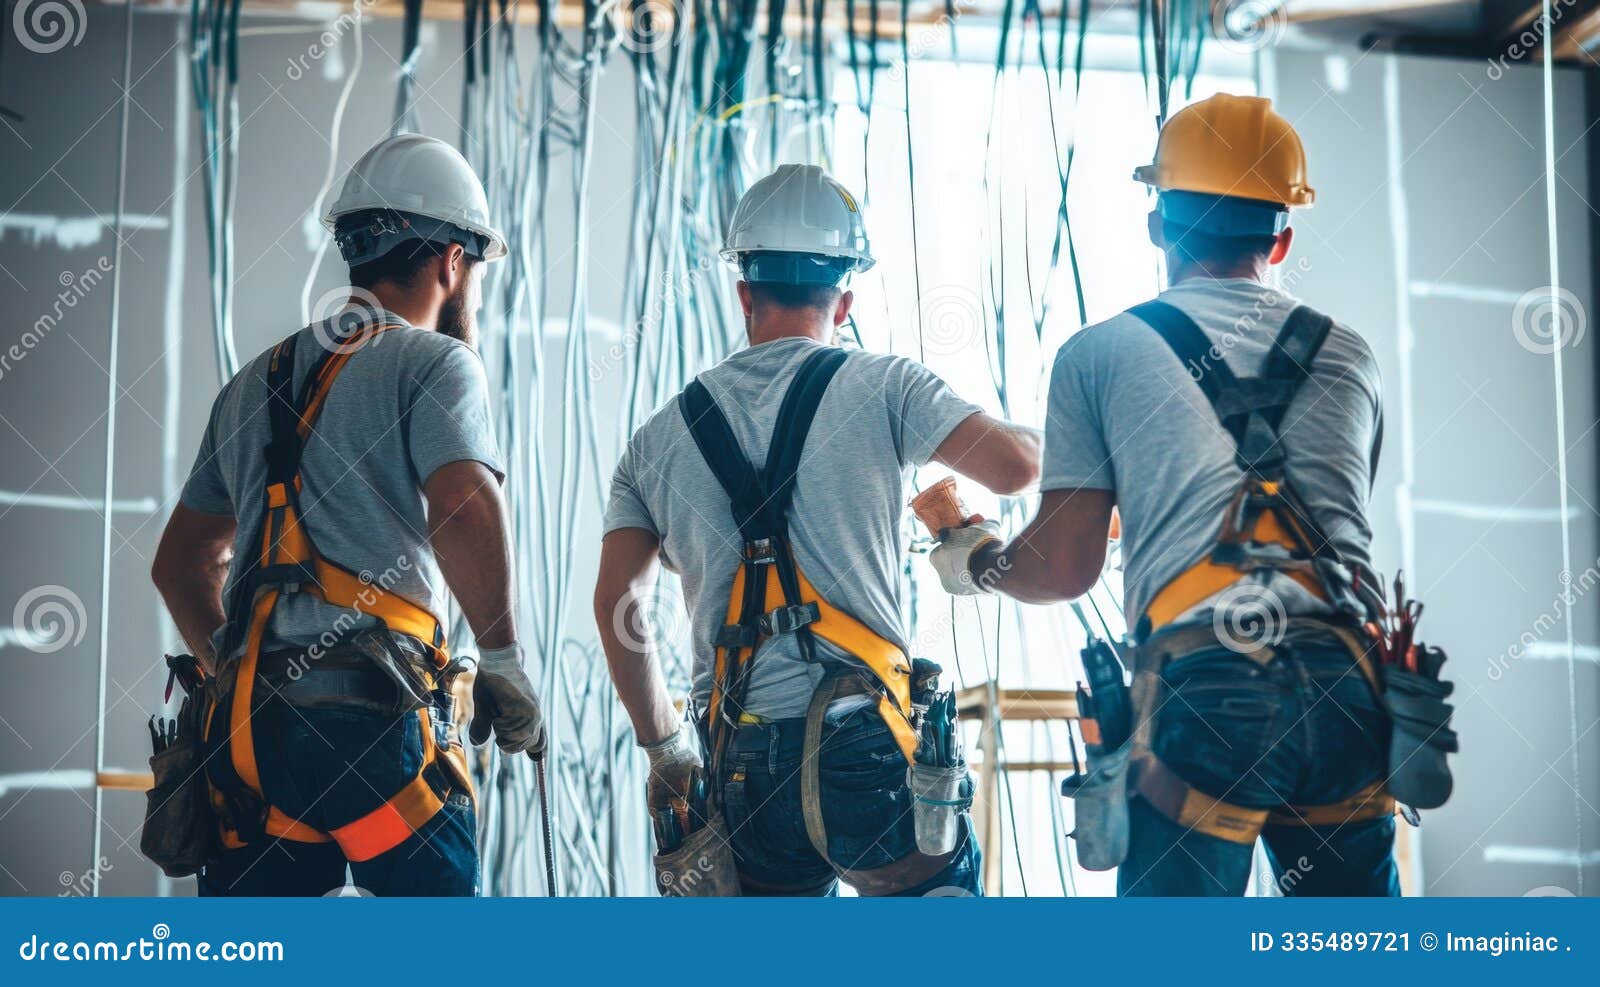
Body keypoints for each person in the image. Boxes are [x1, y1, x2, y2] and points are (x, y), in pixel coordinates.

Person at [931, 94, 1400, 896]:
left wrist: (978, 563)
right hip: (1348, 683)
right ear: (1281, 235)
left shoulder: (1100, 354)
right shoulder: (1350, 356)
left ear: (1159, 226)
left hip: (1213, 682)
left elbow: (1066, 565)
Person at [594, 164, 1040, 896]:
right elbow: (1017, 466)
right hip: (864, 739)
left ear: (744, 293)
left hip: (740, 760)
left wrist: (664, 745)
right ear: (847, 296)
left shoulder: (657, 439)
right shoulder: (886, 384)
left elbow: (621, 604)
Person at [152, 133, 544, 896]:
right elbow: (463, 503)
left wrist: (233, 661)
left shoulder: (250, 384)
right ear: (451, 261)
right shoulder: (435, 362)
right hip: (370, 727)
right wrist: (500, 661)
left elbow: (180, 563)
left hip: (250, 741)